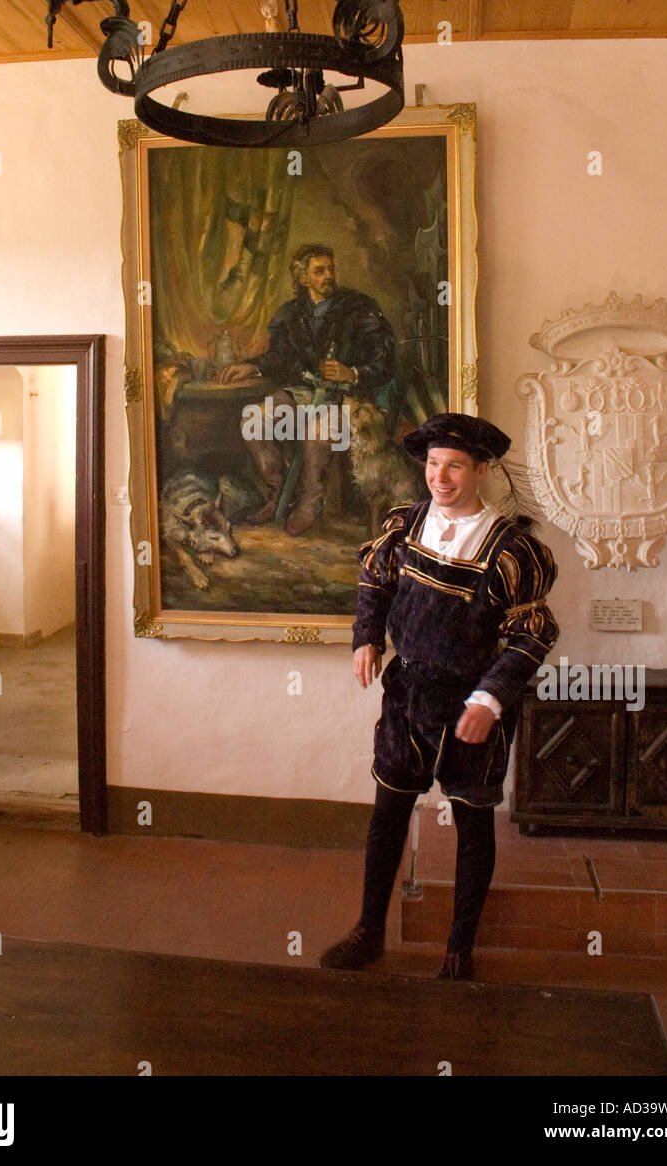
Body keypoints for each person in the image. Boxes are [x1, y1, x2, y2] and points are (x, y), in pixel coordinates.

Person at [319, 412, 560, 980]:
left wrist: (489, 701)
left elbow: (533, 635)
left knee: (473, 825)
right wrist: (366, 639)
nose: (440, 476)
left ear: (480, 470)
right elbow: (375, 583)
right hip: (407, 696)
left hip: (472, 706)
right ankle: (368, 933)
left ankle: (459, 949)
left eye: (454, 465)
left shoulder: (511, 551)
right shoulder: (403, 525)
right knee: (387, 815)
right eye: (432, 464)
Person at [217, 244, 396, 534]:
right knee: (253, 420)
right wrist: (253, 366)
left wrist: (352, 372)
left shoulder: (360, 309)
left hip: (349, 399)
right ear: (303, 278)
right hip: (304, 392)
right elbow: (280, 357)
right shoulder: (290, 314)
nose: (328, 276)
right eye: (319, 271)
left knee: (317, 433)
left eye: (330, 269)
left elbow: (385, 360)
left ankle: (310, 503)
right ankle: (278, 493)